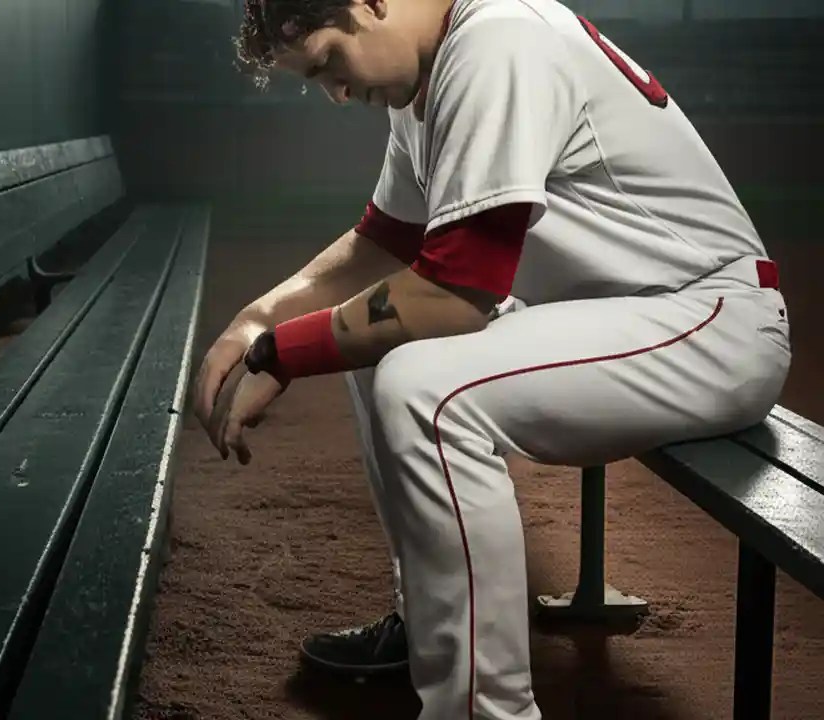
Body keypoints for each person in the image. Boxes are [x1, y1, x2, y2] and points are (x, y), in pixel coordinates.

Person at [191, 0, 793, 717]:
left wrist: (280, 354)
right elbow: (384, 244)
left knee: (422, 385)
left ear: (370, 4)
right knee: (376, 353)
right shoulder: (428, 74)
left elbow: (453, 294)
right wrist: (257, 318)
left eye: (328, 64)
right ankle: (429, 625)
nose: (338, 93)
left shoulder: (497, 39)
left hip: (709, 320)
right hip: (611, 312)